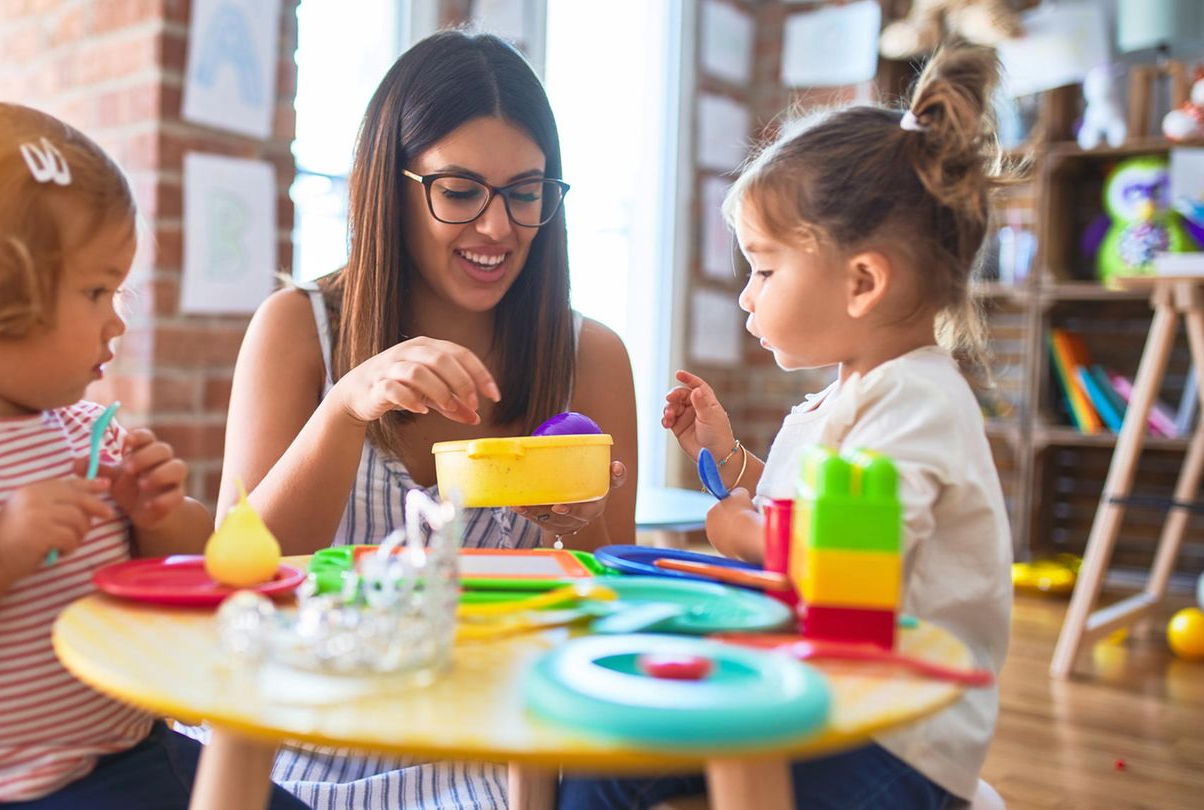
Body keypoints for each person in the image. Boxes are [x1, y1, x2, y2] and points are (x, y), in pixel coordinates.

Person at [0, 95, 307, 810]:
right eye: (97, 290)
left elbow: (201, 556)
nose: (117, 319)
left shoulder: (82, 433)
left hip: (132, 753)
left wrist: (155, 516)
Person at [557, 45, 1015, 810]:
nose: (746, 296)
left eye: (764, 269)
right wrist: (726, 456)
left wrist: (741, 534)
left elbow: (849, 566)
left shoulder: (919, 403)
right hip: (820, 694)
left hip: (895, 734)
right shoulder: (850, 397)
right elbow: (797, 499)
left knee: (622, 760)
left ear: (862, 282)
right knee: (606, 752)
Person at [218, 29, 638, 810]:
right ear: (392, 186)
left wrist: (576, 523)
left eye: (526, 191)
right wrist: (345, 407)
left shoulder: (591, 355)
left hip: (496, 746)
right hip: (293, 732)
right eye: (459, 190)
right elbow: (242, 573)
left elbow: (609, 600)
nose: (499, 227)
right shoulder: (295, 329)